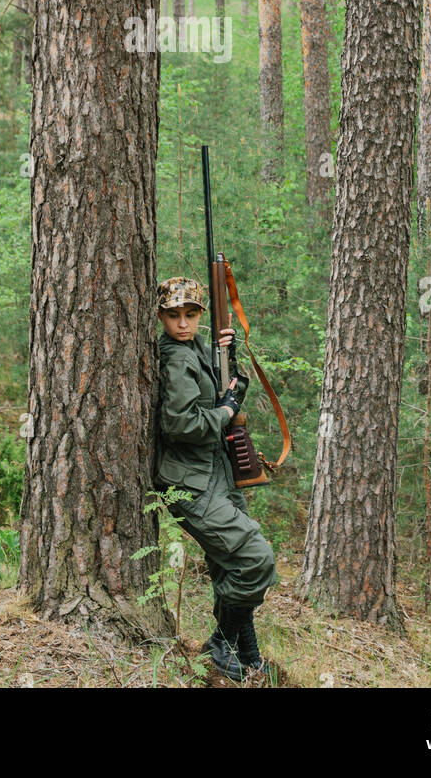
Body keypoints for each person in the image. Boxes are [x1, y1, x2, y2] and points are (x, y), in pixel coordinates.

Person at [155, 275, 278, 682]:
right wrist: (224, 412)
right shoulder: (175, 358)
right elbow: (180, 424)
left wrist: (230, 359)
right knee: (254, 560)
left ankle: (247, 651)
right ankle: (221, 641)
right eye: (174, 315)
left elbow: (233, 388)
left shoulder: (196, 349)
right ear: (162, 316)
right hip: (189, 482)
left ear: (201, 315)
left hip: (217, 474)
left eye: (191, 314)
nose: (183, 323)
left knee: (231, 563)